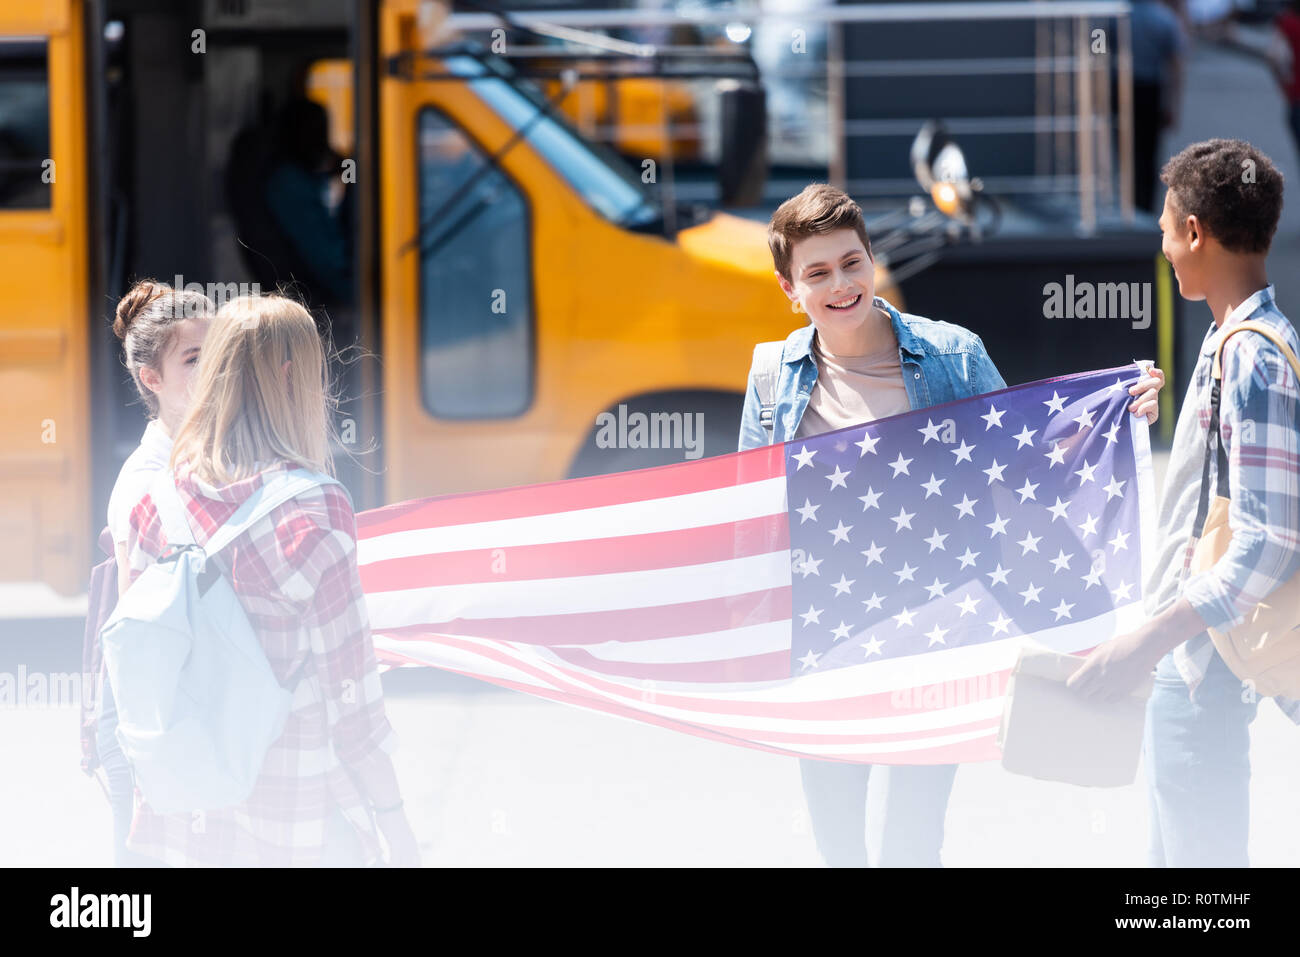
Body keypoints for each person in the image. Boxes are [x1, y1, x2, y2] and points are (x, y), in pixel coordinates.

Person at [738, 183, 1165, 867]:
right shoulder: (770, 377)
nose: (840, 284)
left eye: (851, 262)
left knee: (913, 844)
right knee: (838, 848)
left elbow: (1029, 458)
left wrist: (1116, 408)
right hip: (823, 648)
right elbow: (749, 514)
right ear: (789, 287)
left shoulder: (951, 355)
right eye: (817, 273)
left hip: (935, 641)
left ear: (872, 259)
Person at [120, 293, 418, 866]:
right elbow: (352, 703)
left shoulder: (157, 500)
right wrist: (393, 820)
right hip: (295, 812)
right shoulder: (316, 508)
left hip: (194, 816)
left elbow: (142, 666)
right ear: (289, 375)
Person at [1070, 140, 1300, 867]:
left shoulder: (1253, 357)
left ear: (1195, 231)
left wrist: (1150, 638)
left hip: (1202, 669)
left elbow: (1270, 541)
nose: (1164, 249)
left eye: (1167, 231)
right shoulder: (1238, 341)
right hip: (1200, 665)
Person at [95, 279, 215, 867]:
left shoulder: (209, 456)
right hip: (144, 718)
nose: (214, 369)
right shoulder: (147, 481)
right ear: (152, 380)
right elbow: (137, 640)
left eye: (220, 353)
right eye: (194, 358)